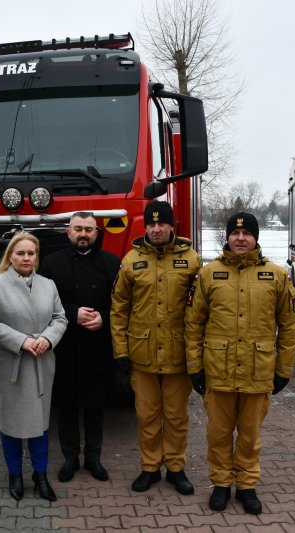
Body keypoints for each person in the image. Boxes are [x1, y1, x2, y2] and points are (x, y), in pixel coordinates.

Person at [185, 212, 295, 515]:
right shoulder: (209, 274)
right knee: (218, 434)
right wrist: (195, 367)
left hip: (257, 372)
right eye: (235, 234)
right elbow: (193, 324)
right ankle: (221, 483)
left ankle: (247, 485)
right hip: (217, 372)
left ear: (255, 238)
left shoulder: (276, 276)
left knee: (250, 436)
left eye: (247, 233)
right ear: (227, 237)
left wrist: (283, 370)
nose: (240, 238)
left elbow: (289, 326)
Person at [110, 201, 200, 495]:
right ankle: (150, 467)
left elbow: (202, 311)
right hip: (142, 354)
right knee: (147, 415)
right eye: (151, 224)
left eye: (162, 224)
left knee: (176, 416)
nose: (157, 229)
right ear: (145, 227)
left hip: (178, 355)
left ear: (173, 226)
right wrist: (121, 351)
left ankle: (176, 468)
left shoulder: (191, 261)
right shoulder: (131, 261)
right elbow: (119, 309)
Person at [0, 233, 68, 501]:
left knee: (40, 424)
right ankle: (15, 475)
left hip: (42, 362)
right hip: (11, 364)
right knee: (11, 423)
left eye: (31, 253)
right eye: (21, 253)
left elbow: (60, 318)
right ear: (10, 256)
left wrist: (46, 339)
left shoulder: (48, 285)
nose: (27, 258)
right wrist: (22, 342)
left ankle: (40, 474)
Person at [39, 212, 120, 483]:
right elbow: (42, 304)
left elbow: (122, 305)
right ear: (68, 232)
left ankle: (94, 458)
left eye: (88, 229)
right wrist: (73, 313)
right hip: (65, 345)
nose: (83, 234)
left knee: (96, 406)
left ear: (97, 233)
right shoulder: (50, 264)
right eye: (78, 229)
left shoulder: (112, 263)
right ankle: (70, 458)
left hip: (98, 345)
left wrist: (104, 318)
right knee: (67, 405)